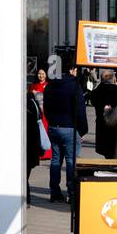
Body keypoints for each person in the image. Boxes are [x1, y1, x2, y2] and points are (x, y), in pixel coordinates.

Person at [43, 61, 88, 202]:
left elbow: (46, 108)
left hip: (54, 127)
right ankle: (71, 192)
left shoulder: (50, 86)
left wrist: (51, 122)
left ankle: (55, 192)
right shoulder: (74, 86)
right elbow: (80, 110)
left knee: (55, 159)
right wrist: (83, 130)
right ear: (72, 70)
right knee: (71, 161)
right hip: (70, 127)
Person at [88, 70, 117, 158]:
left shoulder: (96, 92)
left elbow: (93, 101)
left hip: (101, 124)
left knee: (106, 152)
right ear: (113, 79)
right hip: (116, 125)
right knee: (114, 150)